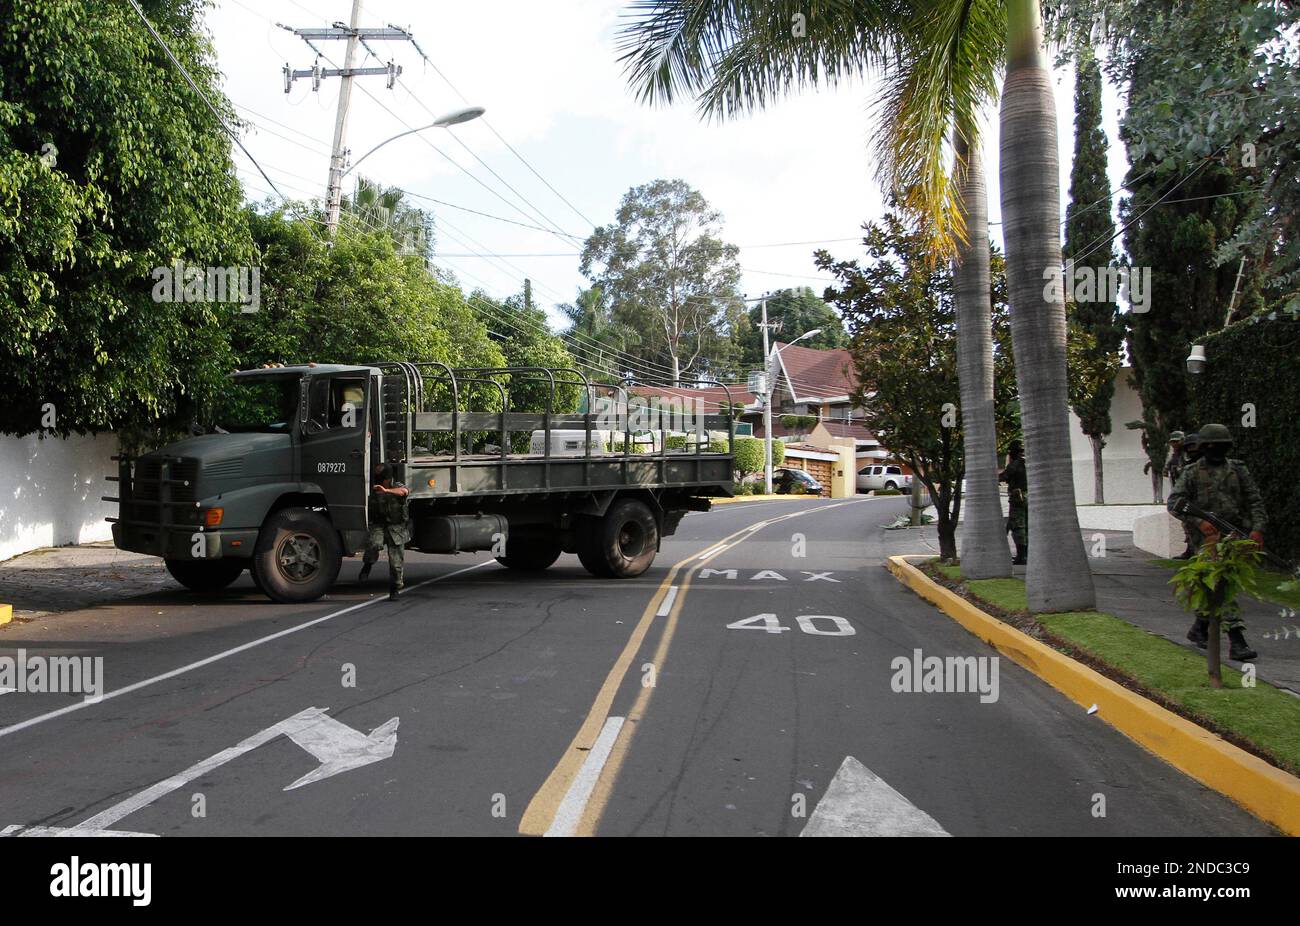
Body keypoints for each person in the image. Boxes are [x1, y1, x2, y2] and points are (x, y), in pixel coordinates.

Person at [1167, 423, 1266, 661]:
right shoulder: (1191, 472)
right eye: (1211, 446)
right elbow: (1174, 503)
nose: (1216, 451)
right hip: (1206, 538)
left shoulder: (1238, 469)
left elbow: (1255, 501)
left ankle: (1200, 627)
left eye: (1220, 446)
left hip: (1233, 534)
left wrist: (1257, 529)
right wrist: (1199, 522)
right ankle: (1237, 640)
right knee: (1221, 582)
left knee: (1218, 583)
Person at [358, 462, 412, 601]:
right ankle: (367, 565)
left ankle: (395, 588)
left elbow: (405, 492)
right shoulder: (373, 487)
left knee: (396, 563)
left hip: (396, 528)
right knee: (374, 545)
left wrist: (386, 491)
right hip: (379, 525)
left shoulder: (397, 486)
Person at [998, 439, 1028, 565]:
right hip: (1027, 499)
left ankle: (1022, 556)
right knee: (1026, 526)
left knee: (1018, 527)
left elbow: (1005, 476)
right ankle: (1024, 554)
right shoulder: (1026, 463)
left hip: (1018, 499)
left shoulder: (1015, 464)